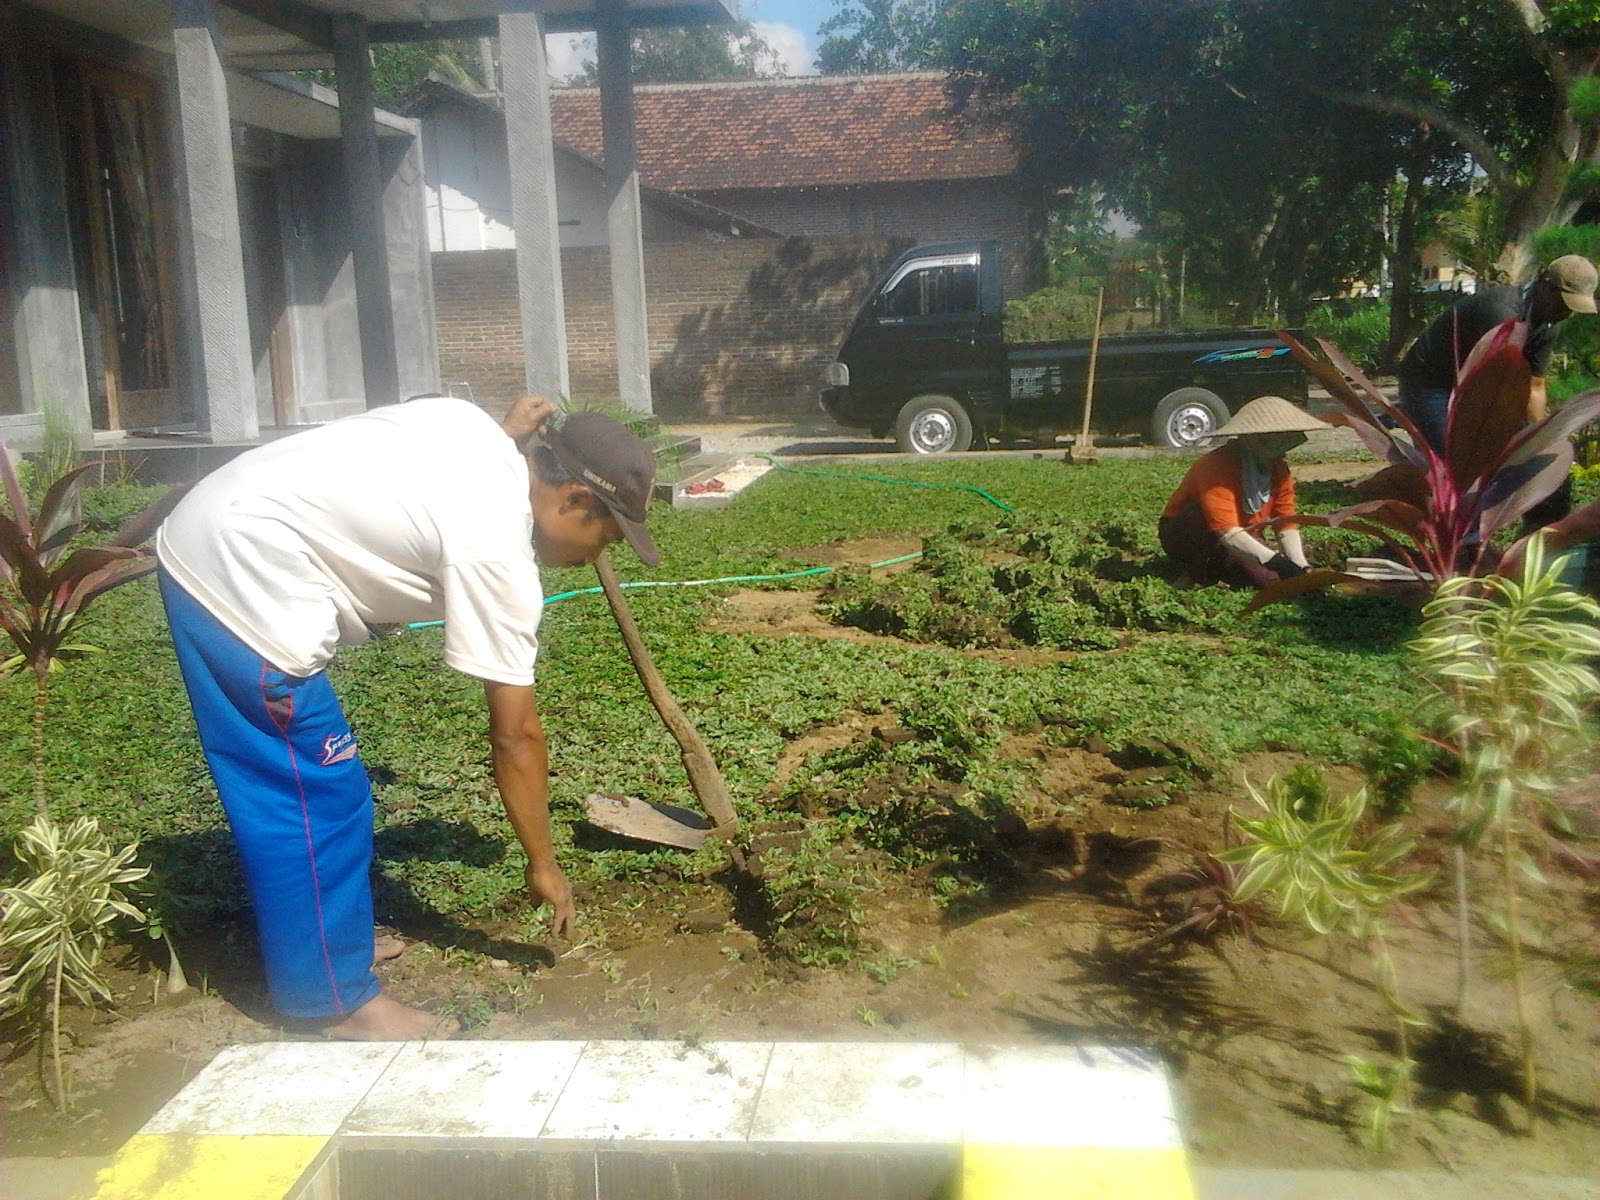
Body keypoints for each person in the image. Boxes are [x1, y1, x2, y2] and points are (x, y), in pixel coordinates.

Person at [155, 394, 659, 1040]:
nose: (597, 555)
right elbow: (515, 735)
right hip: (240, 575)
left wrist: (510, 432)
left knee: (321, 790)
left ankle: (329, 941)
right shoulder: (496, 552)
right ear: (575, 499)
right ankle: (332, 1002)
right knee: (313, 794)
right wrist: (543, 862)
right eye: (605, 537)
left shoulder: (475, 429)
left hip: (220, 525)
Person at [1396, 255, 1598, 455]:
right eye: (1564, 304)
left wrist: (1540, 441)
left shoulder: (1549, 323)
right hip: (1428, 382)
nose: (1567, 313)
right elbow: (1490, 388)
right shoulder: (1501, 313)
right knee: (1454, 457)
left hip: (1469, 386)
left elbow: (1535, 386)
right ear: (1546, 286)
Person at [1159, 395, 1330, 589]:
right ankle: (1193, 572)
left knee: (1271, 581)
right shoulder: (1216, 465)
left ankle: (1222, 568)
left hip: (1243, 533)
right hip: (1196, 533)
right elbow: (1224, 528)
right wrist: (1274, 561)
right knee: (1200, 521)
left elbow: (1285, 521)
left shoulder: (1278, 469)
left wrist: (1300, 565)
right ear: (1257, 438)